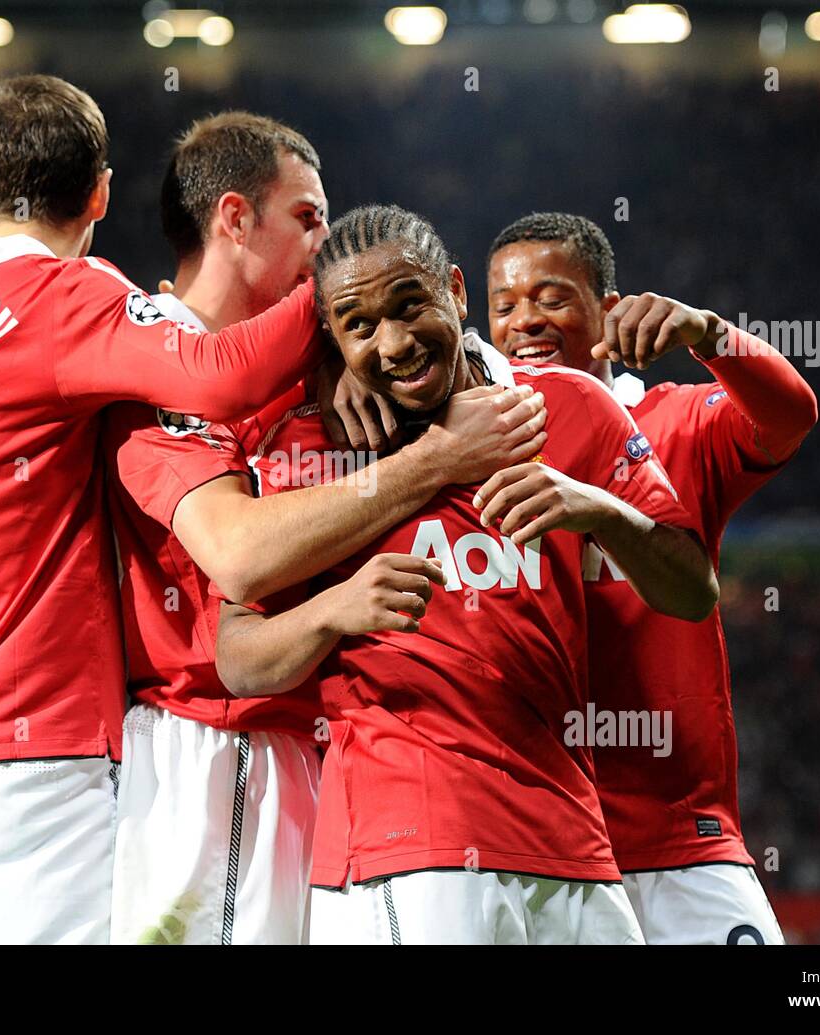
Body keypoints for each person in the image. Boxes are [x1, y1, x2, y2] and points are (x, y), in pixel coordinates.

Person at [0, 75, 330, 945]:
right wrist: (348, 281)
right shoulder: (64, 297)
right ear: (101, 194)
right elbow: (219, 373)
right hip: (24, 780)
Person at [215, 205, 718, 945]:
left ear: (455, 291)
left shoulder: (569, 407)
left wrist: (600, 511)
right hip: (410, 849)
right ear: (332, 340)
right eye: (358, 326)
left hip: (574, 841)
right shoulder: (312, 444)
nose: (394, 342)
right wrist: (331, 610)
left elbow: (692, 590)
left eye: (410, 305)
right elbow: (237, 655)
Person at [105, 115, 548, 944]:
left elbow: (466, 359)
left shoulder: (319, 361)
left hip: (338, 760)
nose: (328, 243)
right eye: (310, 218)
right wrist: (433, 459)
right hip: (222, 756)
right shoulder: (158, 374)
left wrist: (341, 359)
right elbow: (241, 557)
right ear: (235, 219)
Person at [486, 212, 818, 943]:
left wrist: (710, 335)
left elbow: (791, 415)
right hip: (535, 844)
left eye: (550, 297)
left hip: (680, 844)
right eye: (503, 305)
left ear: (609, 308)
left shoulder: (673, 421)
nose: (524, 322)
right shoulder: (474, 447)